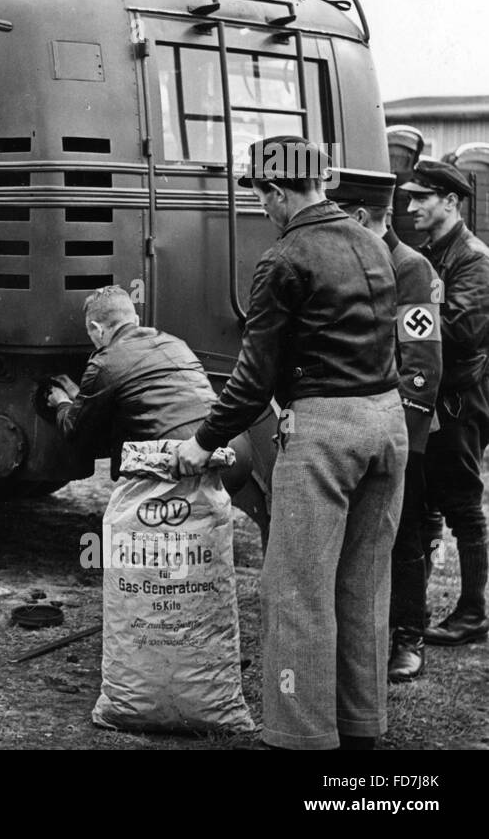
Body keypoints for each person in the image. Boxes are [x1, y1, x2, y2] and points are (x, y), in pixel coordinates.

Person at [175, 136, 406, 751]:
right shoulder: (370, 241)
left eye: (259, 193)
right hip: (387, 425)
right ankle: (361, 731)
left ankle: (300, 738)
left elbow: (252, 379)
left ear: (276, 192)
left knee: (298, 591)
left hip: (325, 432)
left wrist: (203, 442)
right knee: (362, 587)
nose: (261, 206)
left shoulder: (283, 259)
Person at [330, 168, 442, 682]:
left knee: (404, 537)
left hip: (402, 428)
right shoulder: (347, 260)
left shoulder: (409, 266)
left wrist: (406, 436)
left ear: (358, 215)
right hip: (355, 422)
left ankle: (408, 638)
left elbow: (422, 362)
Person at [399, 160, 489, 646]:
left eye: (421, 198)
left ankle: (474, 612)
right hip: (433, 398)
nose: (410, 207)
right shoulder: (432, 252)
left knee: (463, 504)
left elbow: (462, 331)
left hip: (458, 401)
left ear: (451, 203)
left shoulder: (473, 258)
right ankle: (420, 602)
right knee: (426, 500)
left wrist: (402, 326)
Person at [41, 285, 217, 475]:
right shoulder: (174, 343)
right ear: (136, 320)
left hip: (179, 462)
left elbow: (75, 432)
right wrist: (81, 396)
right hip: (223, 448)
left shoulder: (104, 362)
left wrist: (61, 402)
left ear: (96, 329)